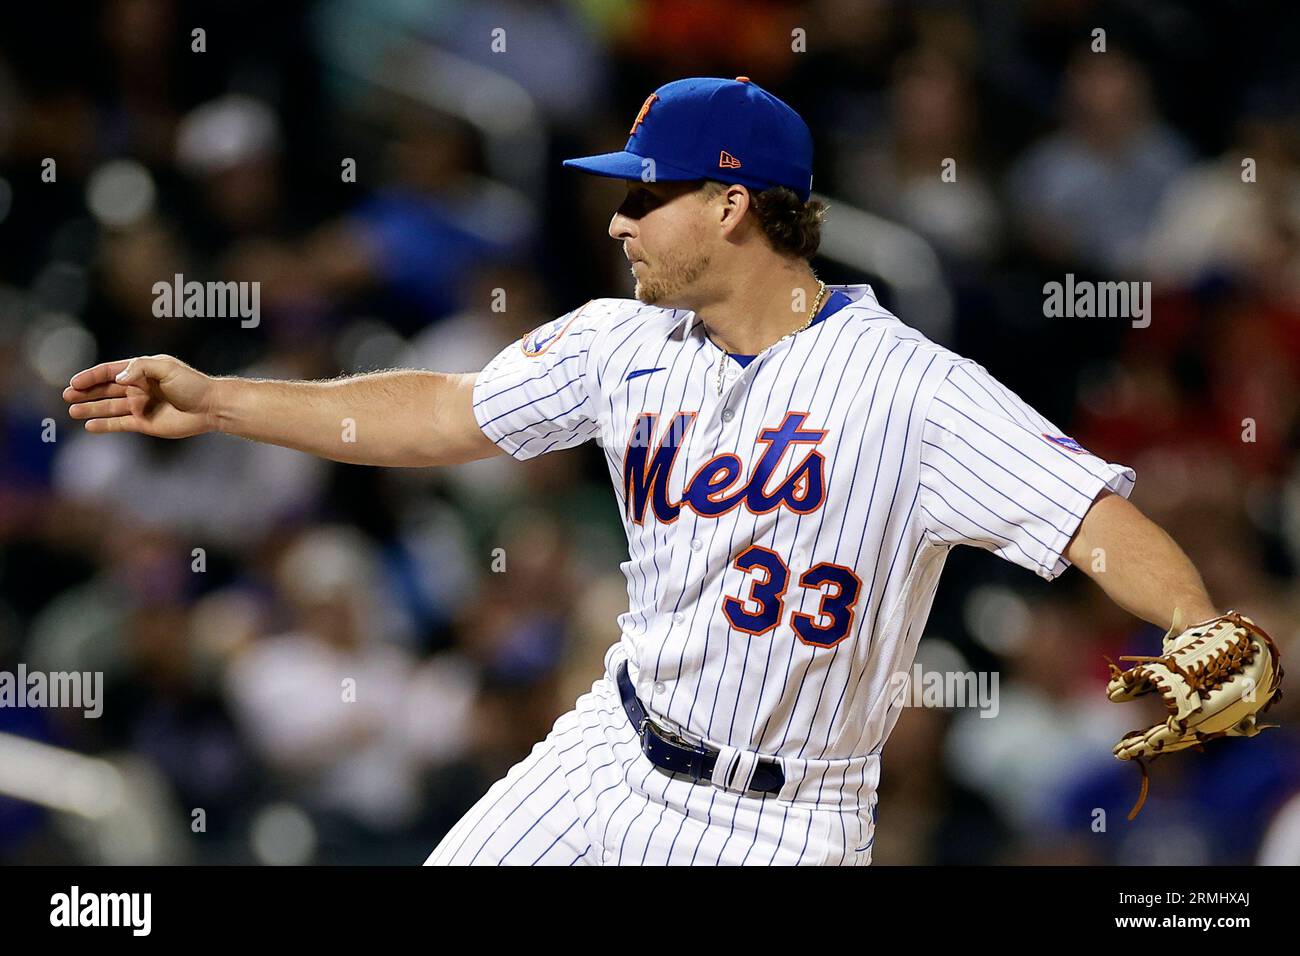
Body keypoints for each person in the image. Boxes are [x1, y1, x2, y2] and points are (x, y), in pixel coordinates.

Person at [65, 77, 1227, 866]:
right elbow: (443, 413)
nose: (617, 220)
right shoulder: (623, 341)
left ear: (731, 205)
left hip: (782, 820)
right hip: (609, 746)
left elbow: (1088, 517)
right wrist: (221, 399)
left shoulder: (910, 385)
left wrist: (1190, 622)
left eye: (644, 192)